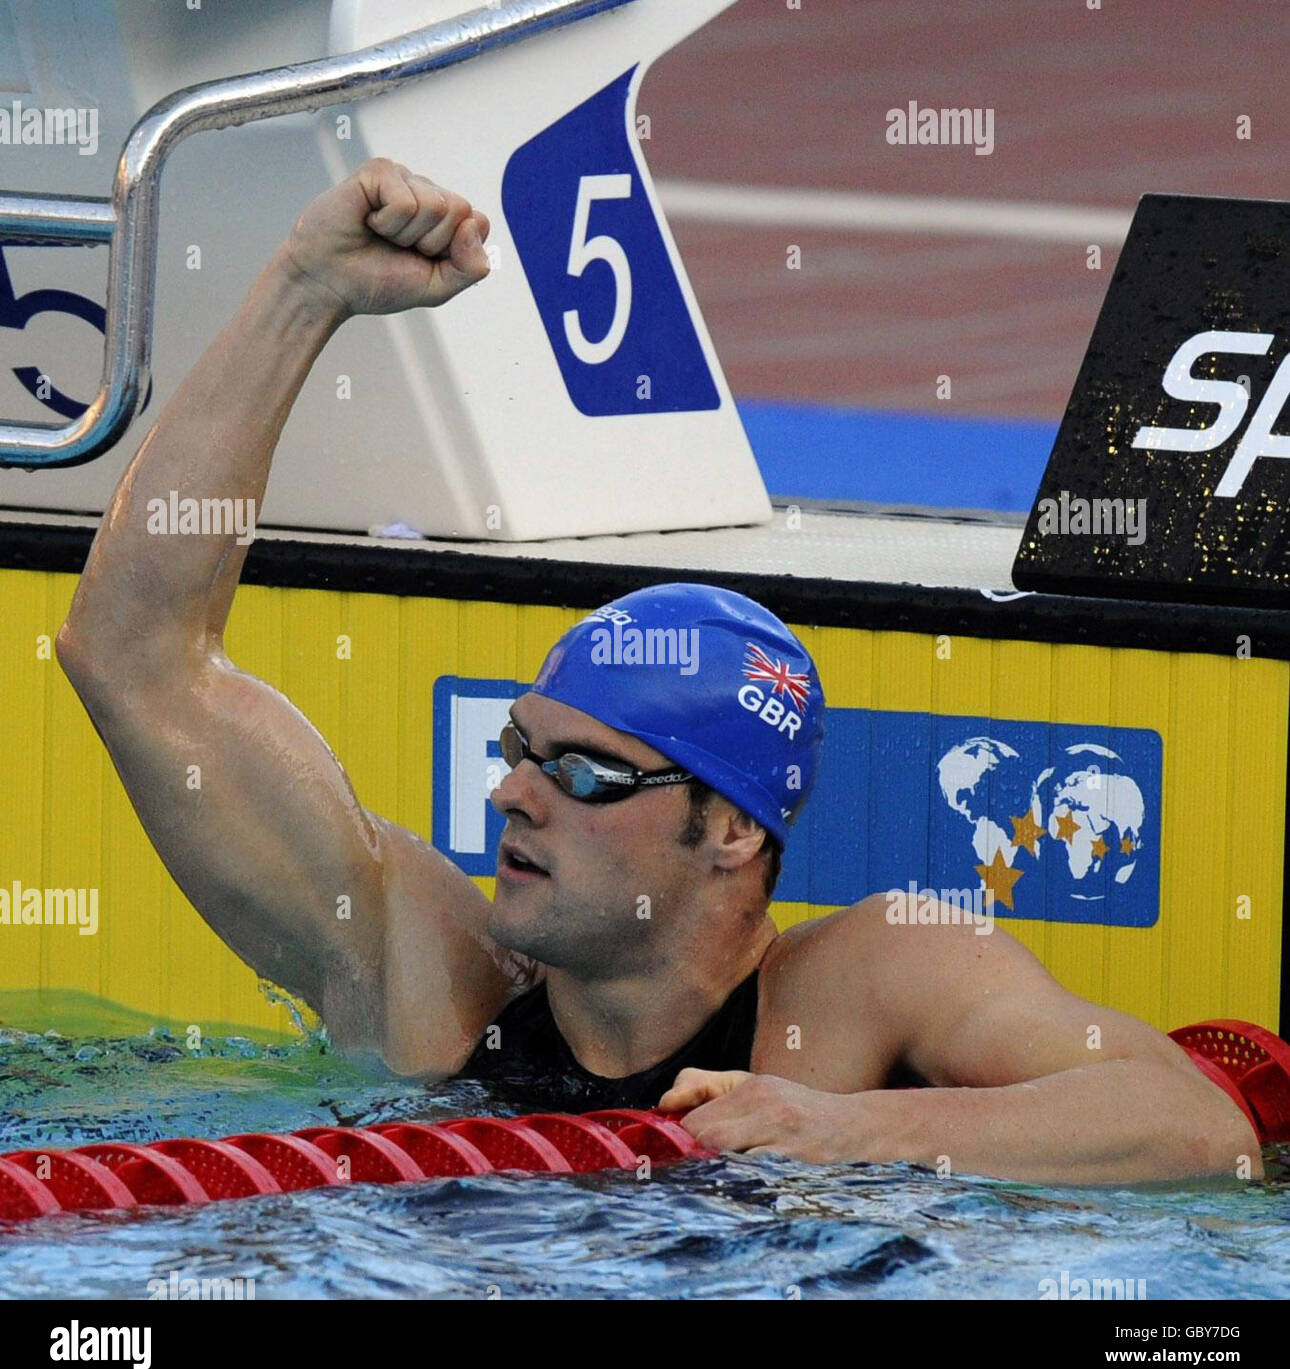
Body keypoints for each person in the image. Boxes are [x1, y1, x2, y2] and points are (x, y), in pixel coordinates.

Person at [56, 159, 1260, 1184]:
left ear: (729, 827)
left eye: (582, 773)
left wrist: (848, 1129)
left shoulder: (864, 988)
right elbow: (133, 660)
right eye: (521, 750)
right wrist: (302, 292)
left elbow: (1196, 1125)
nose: (513, 795)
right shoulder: (424, 969)